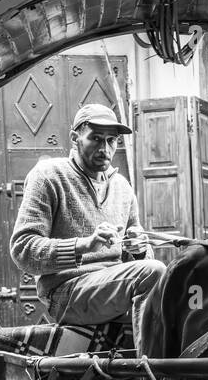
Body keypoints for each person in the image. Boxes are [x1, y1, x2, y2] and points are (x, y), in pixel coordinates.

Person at [9, 103, 164, 350]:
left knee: (178, 284)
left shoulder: (122, 188)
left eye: (112, 140)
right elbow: (23, 251)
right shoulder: (48, 176)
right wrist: (85, 245)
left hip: (113, 287)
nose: (105, 149)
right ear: (75, 138)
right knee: (153, 272)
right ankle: (149, 369)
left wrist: (138, 250)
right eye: (96, 138)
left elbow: (138, 259)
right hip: (65, 293)